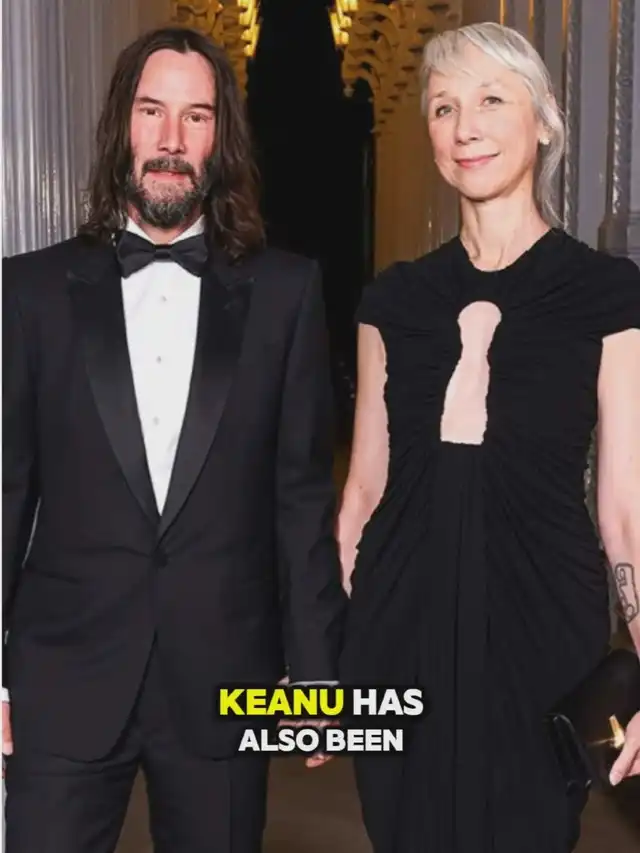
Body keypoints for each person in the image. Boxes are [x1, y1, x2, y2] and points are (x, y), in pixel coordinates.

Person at [2, 25, 346, 853]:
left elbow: (301, 501)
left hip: (226, 678)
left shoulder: (287, 293)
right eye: (152, 111)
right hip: (63, 674)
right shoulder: (28, 291)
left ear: (222, 139)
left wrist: (316, 673)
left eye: (196, 117)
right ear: (120, 124)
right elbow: (5, 490)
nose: (171, 139)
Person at [337, 22, 640, 853]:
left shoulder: (609, 294)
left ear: (543, 121)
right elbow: (362, 492)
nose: (464, 126)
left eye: (491, 100)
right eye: (443, 108)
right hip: (397, 632)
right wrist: (330, 661)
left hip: (542, 633)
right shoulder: (392, 300)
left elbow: (624, 509)